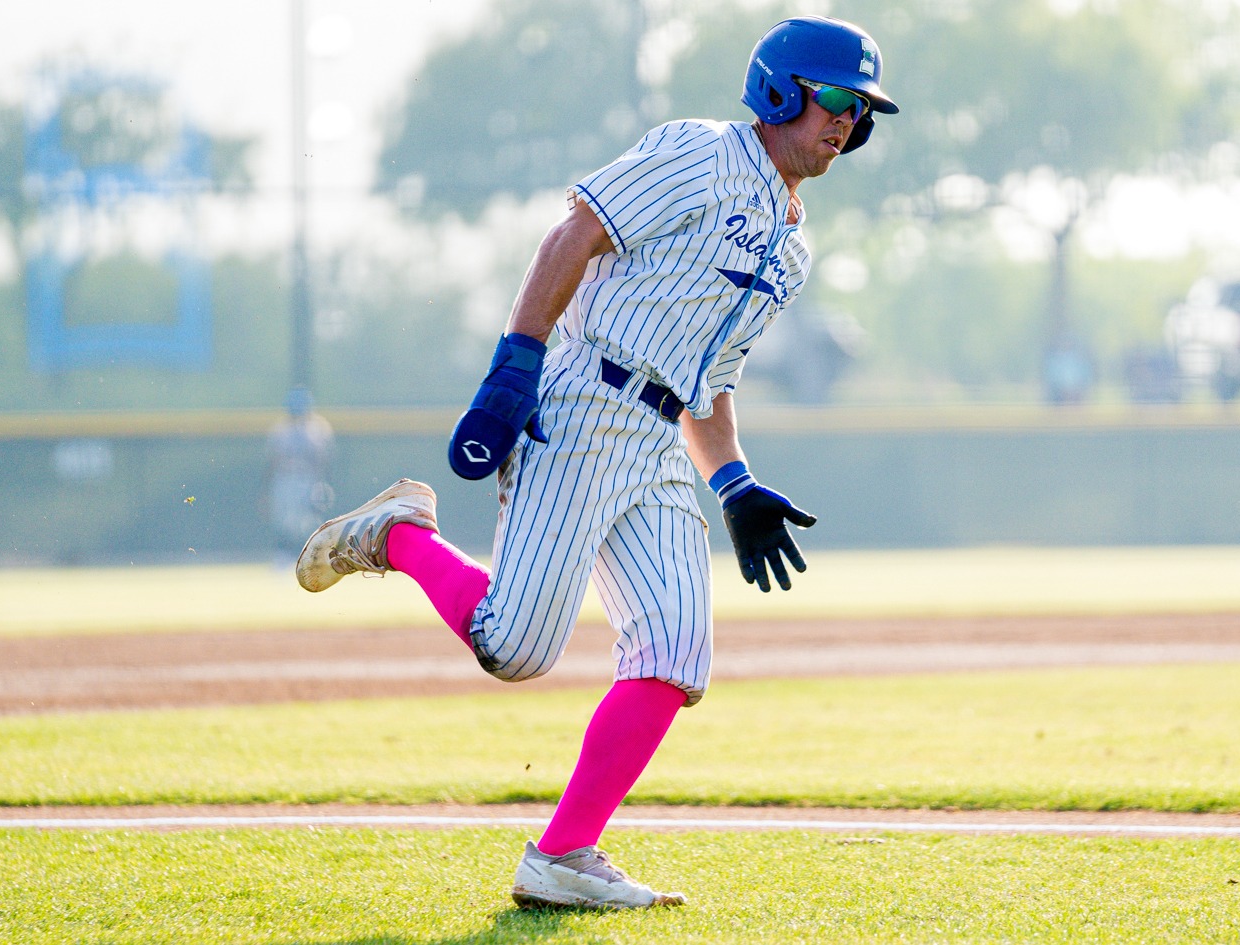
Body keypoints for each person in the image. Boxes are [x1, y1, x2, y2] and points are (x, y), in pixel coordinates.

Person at [296, 15, 896, 910]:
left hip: (656, 438)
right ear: (779, 91)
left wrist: (731, 482)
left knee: (674, 650)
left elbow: (708, 382)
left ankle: (562, 853)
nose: (847, 120)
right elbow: (572, 236)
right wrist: (515, 363)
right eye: (835, 98)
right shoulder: (701, 153)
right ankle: (400, 536)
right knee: (513, 647)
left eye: (862, 108)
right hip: (580, 400)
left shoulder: (794, 247)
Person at [263, 386, 334, 565]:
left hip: (308, 479)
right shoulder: (280, 430)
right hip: (285, 478)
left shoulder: (318, 428)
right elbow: (273, 460)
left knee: (309, 521)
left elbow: (324, 458)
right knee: (284, 521)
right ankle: (283, 558)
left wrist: (323, 482)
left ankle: (309, 558)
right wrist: (266, 488)